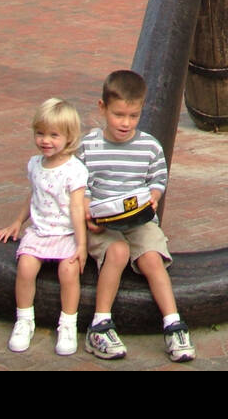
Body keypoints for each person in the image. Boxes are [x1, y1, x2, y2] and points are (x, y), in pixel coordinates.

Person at [78, 69, 195, 362]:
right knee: (117, 252)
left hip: (140, 219)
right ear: (102, 108)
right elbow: (81, 186)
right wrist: (86, 210)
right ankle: (100, 324)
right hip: (103, 224)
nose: (126, 123)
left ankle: (173, 324)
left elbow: (157, 180)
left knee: (152, 258)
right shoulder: (88, 147)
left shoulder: (149, 147)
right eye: (119, 115)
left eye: (133, 116)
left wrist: (153, 198)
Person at [0, 98, 88, 357]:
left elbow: (77, 208)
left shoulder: (74, 170)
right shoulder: (35, 165)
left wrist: (81, 245)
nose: (45, 140)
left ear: (69, 137)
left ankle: (68, 323)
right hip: (39, 231)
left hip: (66, 233)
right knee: (25, 267)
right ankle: (24, 319)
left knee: (68, 272)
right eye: (40, 133)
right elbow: (34, 196)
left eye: (54, 135)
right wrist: (17, 222)